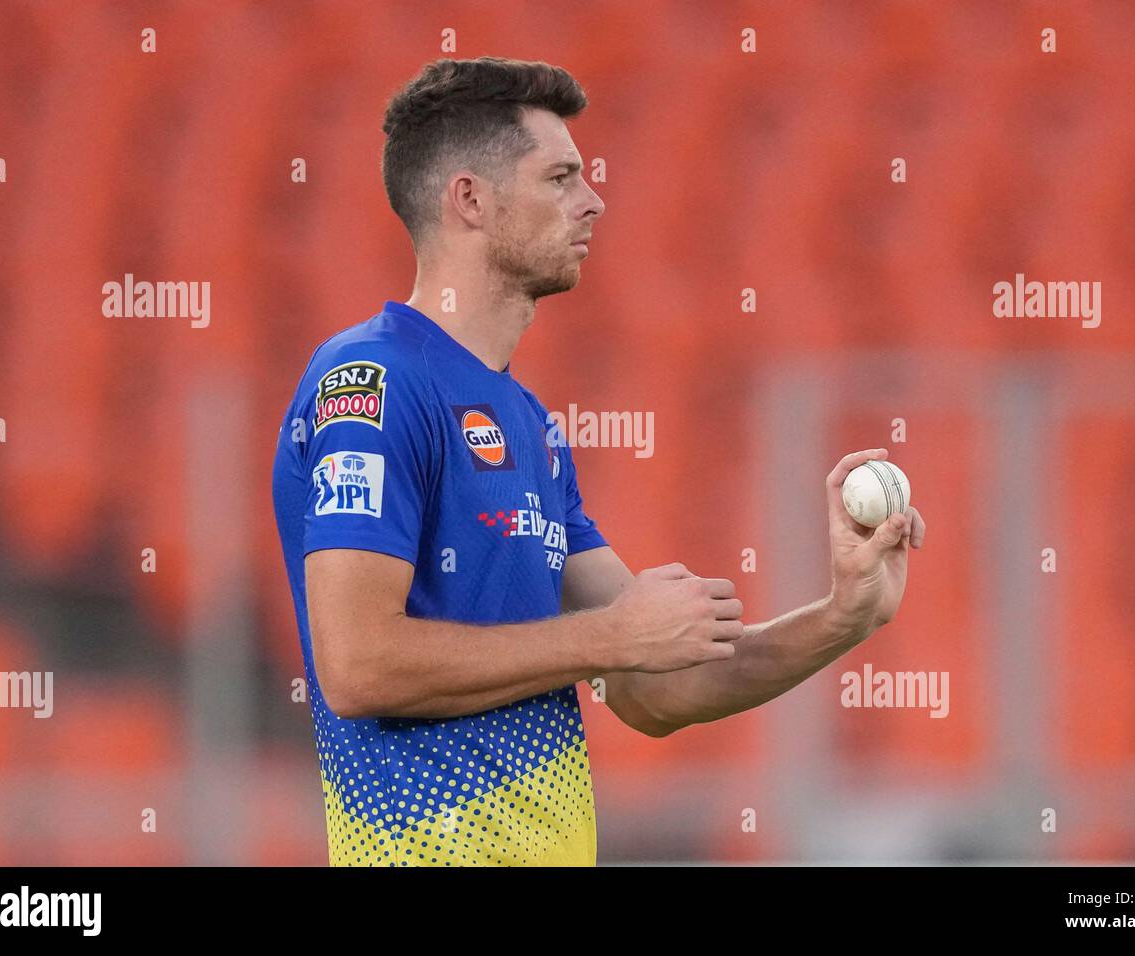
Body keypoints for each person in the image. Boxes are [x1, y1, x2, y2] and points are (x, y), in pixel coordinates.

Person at [270, 56, 926, 866]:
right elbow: (358, 666)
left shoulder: (531, 425)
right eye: (560, 178)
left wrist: (841, 617)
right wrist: (608, 636)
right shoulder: (371, 383)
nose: (593, 200)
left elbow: (655, 688)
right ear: (470, 199)